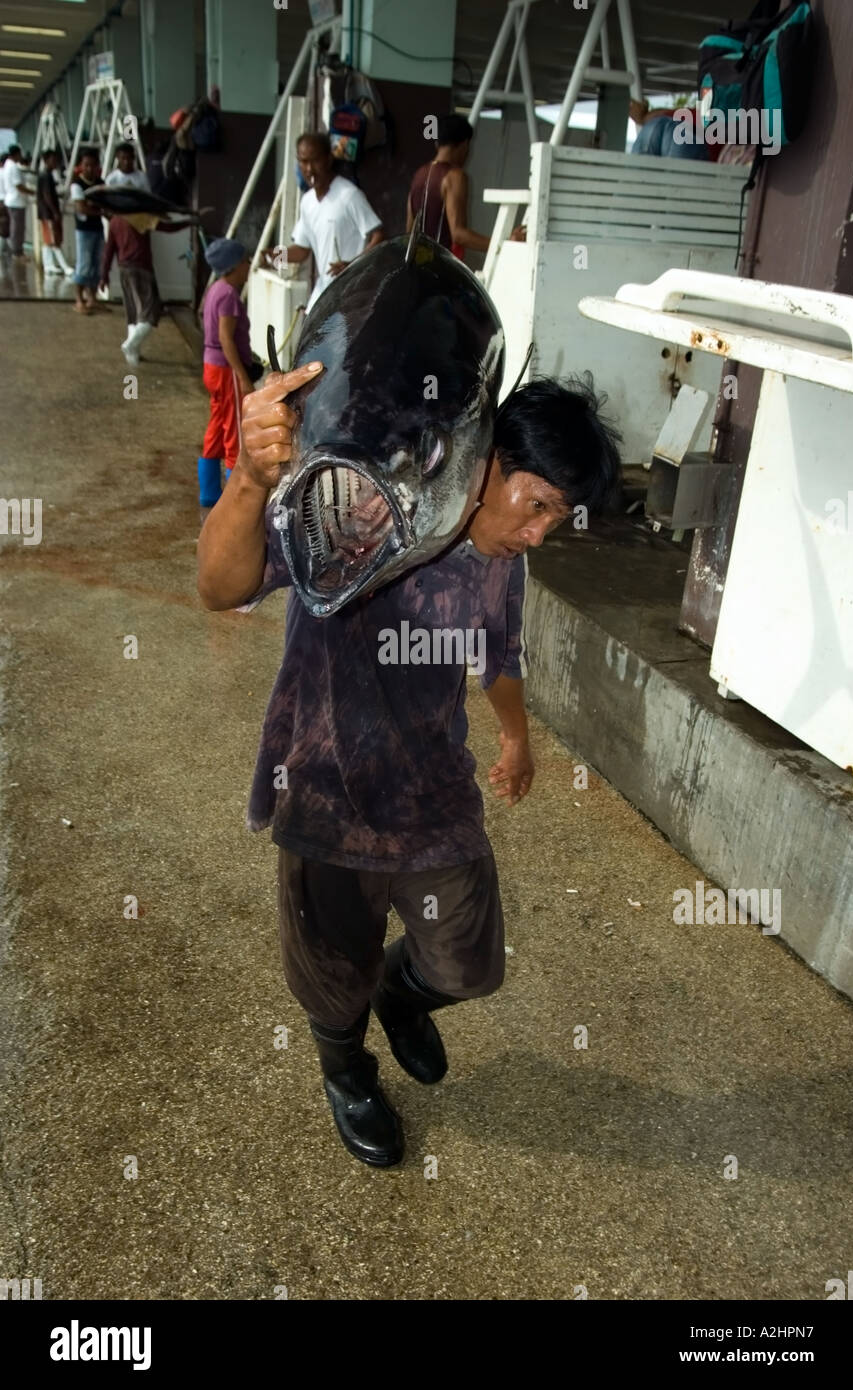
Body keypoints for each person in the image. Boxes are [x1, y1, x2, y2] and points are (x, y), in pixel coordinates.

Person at [196, 369, 622, 1169]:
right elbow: (221, 588)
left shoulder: (503, 562)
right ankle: (347, 1070)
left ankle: (402, 995)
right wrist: (252, 481)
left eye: (554, 520)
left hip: (432, 789)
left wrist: (517, 737)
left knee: (467, 962)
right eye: (535, 505)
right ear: (484, 461)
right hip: (323, 786)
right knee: (331, 972)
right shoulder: (364, 509)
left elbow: (495, 652)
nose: (538, 533)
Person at [273, 132, 384, 312]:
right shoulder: (307, 201)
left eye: (315, 161)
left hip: (353, 297)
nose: (309, 169)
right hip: (323, 295)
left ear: (328, 160)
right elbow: (302, 250)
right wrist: (272, 256)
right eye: (303, 161)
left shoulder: (349, 195)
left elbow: (379, 235)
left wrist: (353, 265)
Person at [197, 237, 260, 508]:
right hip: (226, 370)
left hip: (211, 366)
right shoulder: (230, 295)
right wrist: (244, 378)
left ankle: (210, 492)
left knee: (216, 427)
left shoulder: (215, 289)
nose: (249, 265)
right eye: (245, 261)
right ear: (234, 266)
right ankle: (235, 503)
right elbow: (226, 338)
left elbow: (202, 316)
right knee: (234, 431)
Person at [407, 114, 525, 258]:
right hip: (441, 267)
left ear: (437, 143)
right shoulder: (454, 176)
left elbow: (409, 229)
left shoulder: (419, 174)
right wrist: (504, 243)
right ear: (464, 144)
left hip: (417, 263)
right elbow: (458, 234)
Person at [99, 209, 196, 365]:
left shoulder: (115, 221)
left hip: (124, 270)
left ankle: (133, 356)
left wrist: (104, 276)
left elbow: (108, 250)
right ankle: (130, 345)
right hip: (141, 268)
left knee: (133, 312)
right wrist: (189, 223)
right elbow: (167, 227)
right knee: (151, 312)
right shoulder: (139, 216)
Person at [70, 148, 106, 314]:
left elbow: (105, 203)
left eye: (92, 165)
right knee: (83, 265)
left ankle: (92, 298)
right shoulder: (77, 184)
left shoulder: (100, 182)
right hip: (83, 231)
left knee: (96, 264)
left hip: (97, 228)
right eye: (86, 165)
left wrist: (96, 209)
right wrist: (99, 211)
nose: (89, 168)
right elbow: (81, 208)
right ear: (81, 166)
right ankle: (79, 300)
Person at [36, 150, 73, 277]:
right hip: (48, 213)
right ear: (46, 160)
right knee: (54, 239)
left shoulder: (45, 174)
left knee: (47, 240)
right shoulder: (46, 175)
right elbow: (47, 195)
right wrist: (55, 211)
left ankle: (49, 265)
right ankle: (64, 266)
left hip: (43, 212)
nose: (55, 162)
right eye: (53, 159)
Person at [3, 145, 33, 259]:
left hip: (11, 200)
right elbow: (19, 186)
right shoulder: (13, 167)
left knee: (15, 227)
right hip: (16, 201)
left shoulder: (7, 165)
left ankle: (16, 250)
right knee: (17, 228)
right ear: (16, 154)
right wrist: (32, 192)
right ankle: (17, 252)